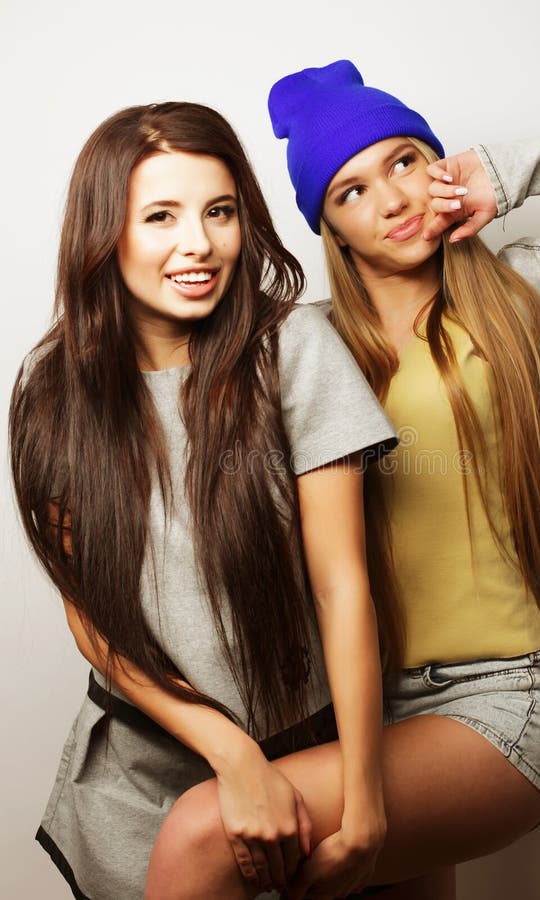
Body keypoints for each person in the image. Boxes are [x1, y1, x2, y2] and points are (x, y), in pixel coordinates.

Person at [142, 67, 540, 900]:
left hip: (498, 697)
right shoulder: (297, 347)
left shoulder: (532, 293)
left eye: (404, 162)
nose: (393, 200)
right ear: (326, 227)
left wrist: (503, 173)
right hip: (356, 718)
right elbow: (168, 342)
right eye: (352, 192)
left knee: (201, 834)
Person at [9, 100, 402, 900]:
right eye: (160, 215)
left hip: (305, 751)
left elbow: (343, 587)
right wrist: (230, 752)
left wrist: (362, 803)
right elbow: (95, 622)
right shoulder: (55, 391)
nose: (199, 243)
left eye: (219, 211)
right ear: (104, 232)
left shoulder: (290, 349)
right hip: (139, 765)